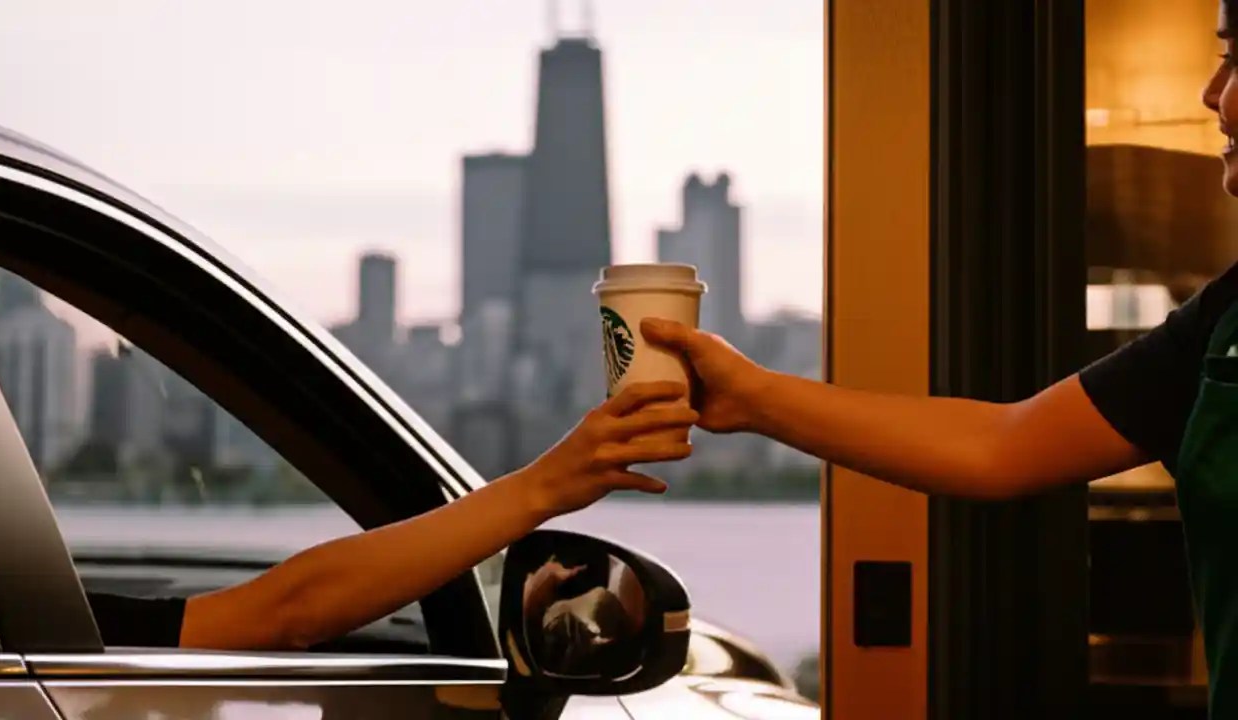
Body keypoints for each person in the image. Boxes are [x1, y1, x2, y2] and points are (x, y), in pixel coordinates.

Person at [641, 2, 1238, 714]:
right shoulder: (1224, 319)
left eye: (1235, 62)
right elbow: (1002, 445)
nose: (1211, 93)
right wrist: (752, 396)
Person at [84, 380, 697, 650]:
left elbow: (289, 609)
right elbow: (287, 613)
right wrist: (542, 488)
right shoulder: (26, 627)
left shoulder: (29, 621)